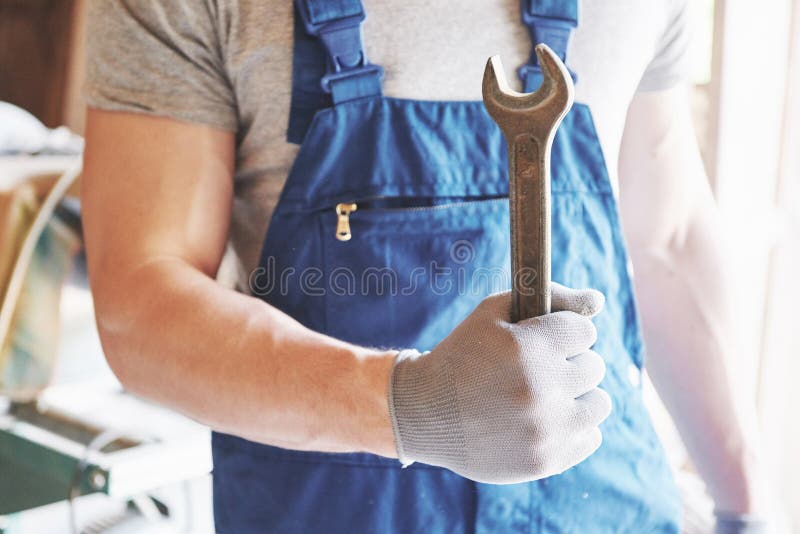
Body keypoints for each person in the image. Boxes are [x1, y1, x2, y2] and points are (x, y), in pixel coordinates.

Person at [81, 0, 772, 532]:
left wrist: (748, 507)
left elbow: (668, 238)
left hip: (602, 504)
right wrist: (410, 407)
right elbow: (141, 300)